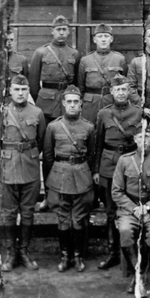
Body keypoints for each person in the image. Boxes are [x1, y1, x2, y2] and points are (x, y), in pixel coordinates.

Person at [112, 122, 150, 297]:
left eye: (147, 137)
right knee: (124, 230)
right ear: (135, 139)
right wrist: (133, 208)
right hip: (130, 208)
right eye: (140, 137)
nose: (143, 141)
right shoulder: (124, 160)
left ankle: (138, 276)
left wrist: (148, 207)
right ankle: (140, 275)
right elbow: (116, 191)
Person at [43, 85, 95, 272]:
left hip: (82, 176)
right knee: (63, 219)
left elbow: (91, 155)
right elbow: (48, 157)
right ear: (64, 103)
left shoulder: (89, 127)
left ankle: (78, 256)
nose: (72, 105)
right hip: (60, 176)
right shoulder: (53, 126)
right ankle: (65, 256)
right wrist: (51, 182)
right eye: (69, 102)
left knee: (78, 219)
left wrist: (83, 170)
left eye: (76, 102)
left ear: (81, 104)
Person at [94, 74, 144, 270]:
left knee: (131, 208)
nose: (121, 93)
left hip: (130, 166)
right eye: (117, 90)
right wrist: (97, 169)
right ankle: (112, 253)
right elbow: (98, 144)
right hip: (108, 166)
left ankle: (133, 253)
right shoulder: (103, 114)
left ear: (129, 91)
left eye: (124, 89)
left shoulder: (138, 113)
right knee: (110, 212)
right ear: (112, 92)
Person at [0, 75, 46, 272]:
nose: (20, 93)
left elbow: (42, 140)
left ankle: (24, 252)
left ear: (29, 92)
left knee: (28, 212)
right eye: (16, 89)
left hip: (30, 167)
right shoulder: (2, 112)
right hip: (7, 168)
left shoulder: (37, 112)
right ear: (10, 91)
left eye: (23, 90)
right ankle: (11, 254)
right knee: (9, 213)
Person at [29, 15, 81, 124]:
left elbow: (77, 82)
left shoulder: (74, 53)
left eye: (64, 29)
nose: (61, 32)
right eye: (58, 29)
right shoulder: (40, 52)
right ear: (52, 31)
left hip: (67, 102)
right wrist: (42, 99)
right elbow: (33, 83)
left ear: (68, 32)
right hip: (46, 103)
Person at [78, 24, 130, 123]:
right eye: (100, 36)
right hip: (90, 104)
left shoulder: (119, 59)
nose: (103, 39)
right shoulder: (85, 60)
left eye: (106, 36)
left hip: (111, 102)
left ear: (111, 39)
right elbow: (80, 86)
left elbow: (125, 83)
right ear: (94, 39)